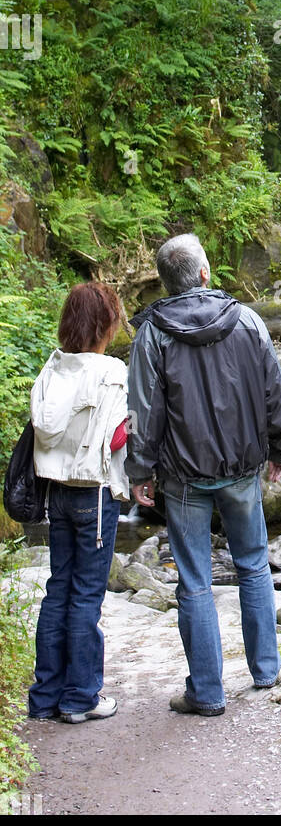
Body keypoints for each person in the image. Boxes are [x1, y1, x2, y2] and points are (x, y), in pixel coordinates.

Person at [126, 233, 281, 717]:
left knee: (195, 581)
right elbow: (274, 392)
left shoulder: (152, 334)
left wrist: (139, 470)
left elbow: (141, 410)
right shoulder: (248, 321)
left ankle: (206, 692)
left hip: (182, 477)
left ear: (164, 284)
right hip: (243, 468)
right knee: (254, 565)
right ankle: (266, 672)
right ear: (204, 273)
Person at [28, 282, 129, 724]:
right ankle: (81, 697)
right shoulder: (111, 371)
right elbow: (119, 437)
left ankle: (45, 696)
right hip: (94, 492)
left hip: (56, 493)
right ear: (105, 324)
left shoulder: (52, 369)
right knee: (87, 594)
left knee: (58, 589)